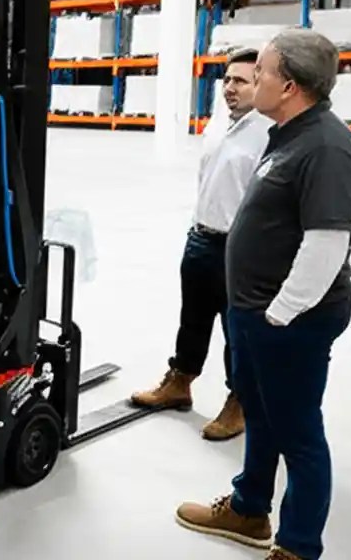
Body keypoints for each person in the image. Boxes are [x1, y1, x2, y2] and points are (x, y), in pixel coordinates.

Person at [176, 29, 351, 560]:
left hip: (291, 321)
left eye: (259, 71)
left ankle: (298, 545)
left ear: (288, 85)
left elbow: (326, 246)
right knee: (260, 416)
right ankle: (248, 508)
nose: (249, 80)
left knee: (300, 435)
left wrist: (280, 315)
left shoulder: (327, 147)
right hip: (254, 313)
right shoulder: (286, 132)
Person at [131, 48, 272, 441]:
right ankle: (180, 381)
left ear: (261, 84)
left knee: (237, 330)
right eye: (226, 80)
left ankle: (240, 401)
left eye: (240, 81)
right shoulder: (218, 122)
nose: (230, 88)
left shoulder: (269, 132)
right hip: (201, 237)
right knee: (192, 318)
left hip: (239, 247)